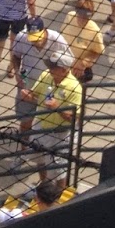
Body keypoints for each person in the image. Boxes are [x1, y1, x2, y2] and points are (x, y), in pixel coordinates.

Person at [19, 45, 83, 177]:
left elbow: (74, 119)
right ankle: (44, 187)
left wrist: (57, 107)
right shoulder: (46, 75)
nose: (50, 69)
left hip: (61, 134)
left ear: (64, 70)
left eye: (53, 67)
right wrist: (28, 96)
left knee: (59, 170)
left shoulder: (75, 88)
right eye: (50, 66)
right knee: (39, 160)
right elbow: (35, 96)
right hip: (41, 126)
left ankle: (58, 194)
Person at [64, 0, 105, 83]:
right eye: (80, 15)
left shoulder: (95, 31)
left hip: (78, 70)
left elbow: (97, 52)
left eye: (86, 17)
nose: (83, 19)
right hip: (63, 63)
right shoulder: (70, 16)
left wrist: (83, 63)